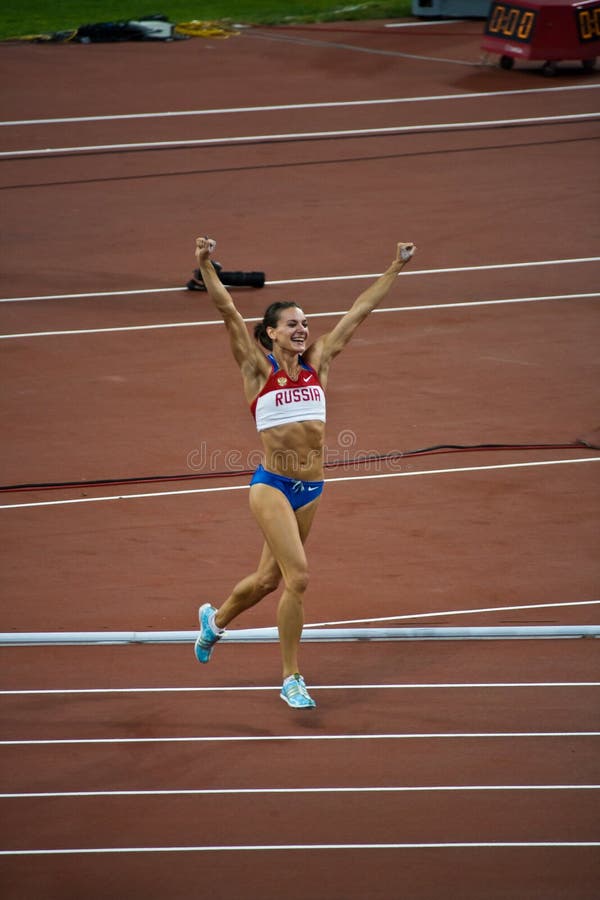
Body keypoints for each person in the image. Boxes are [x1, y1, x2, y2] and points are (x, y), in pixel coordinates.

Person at [193, 235, 416, 708]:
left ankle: (214, 621)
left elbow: (359, 312)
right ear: (271, 333)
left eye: (305, 323)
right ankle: (291, 677)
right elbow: (228, 311)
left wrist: (395, 266)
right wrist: (205, 264)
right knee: (298, 578)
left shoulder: (318, 363)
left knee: (267, 581)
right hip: (271, 486)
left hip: (310, 488)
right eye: (292, 324)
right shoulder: (257, 370)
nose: (302, 329)